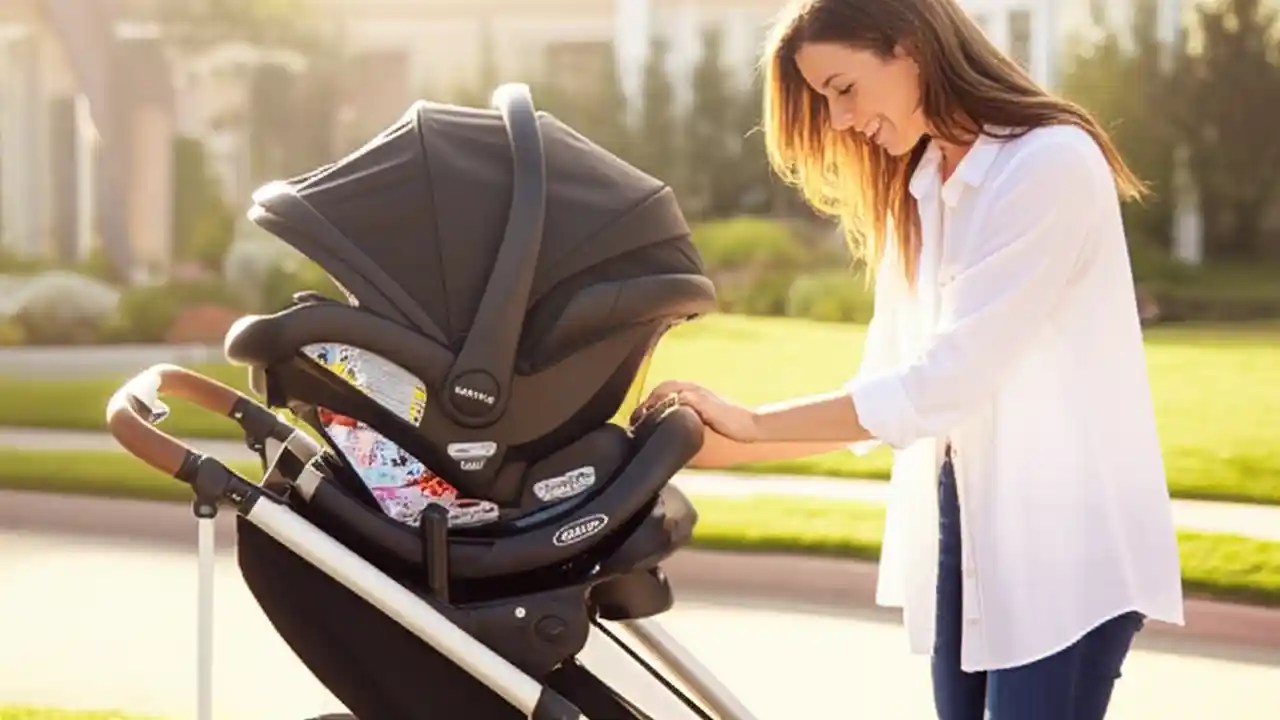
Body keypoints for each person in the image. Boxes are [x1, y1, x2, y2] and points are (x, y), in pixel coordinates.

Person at [634, 0, 1185, 717]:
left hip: (1063, 543)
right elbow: (886, 390)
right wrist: (710, 446)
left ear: (911, 48)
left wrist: (756, 423)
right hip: (967, 528)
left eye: (843, 89)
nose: (838, 120)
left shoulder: (1049, 163)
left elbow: (943, 384)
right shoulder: (921, 187)